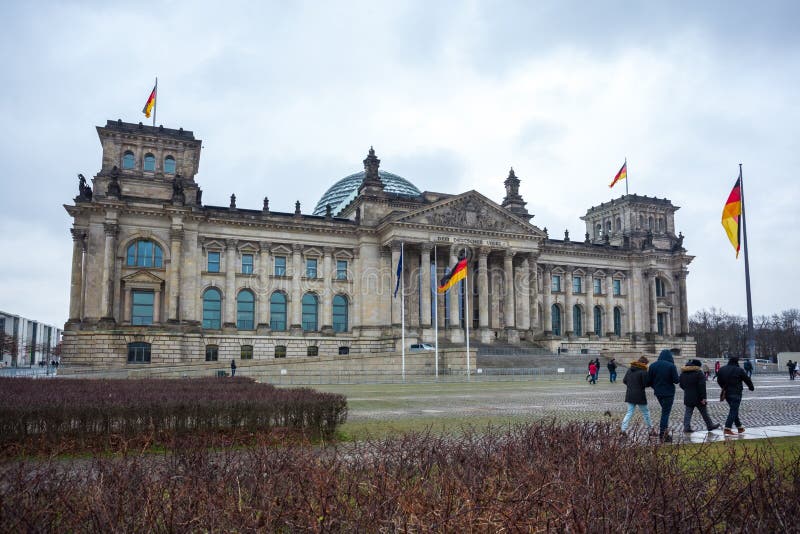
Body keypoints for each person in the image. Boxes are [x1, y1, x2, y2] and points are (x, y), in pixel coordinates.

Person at [679, 359, 720, 433]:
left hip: (688, 396)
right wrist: (703, 398)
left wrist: (688, 390)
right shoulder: (699, 373)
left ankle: (686, 427)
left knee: (688, 413)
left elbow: (681, 385)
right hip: (698, 397)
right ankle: (710, 425)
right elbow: (702, 386)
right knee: (704, 412)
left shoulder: (683, 373)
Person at [647, 349, 680, 442]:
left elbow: (648, 382)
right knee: (665, 413)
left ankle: (664, 433)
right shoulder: (671, 366)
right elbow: (676, 380)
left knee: (665, 412)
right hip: (668, 393)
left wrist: (656, 387)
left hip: (658, 393)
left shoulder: (653, 366)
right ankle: (663, 434)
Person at [716, 356, 754, 435]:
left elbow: (719, 380)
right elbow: (747, 379)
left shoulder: (722, 369)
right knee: (733, 410)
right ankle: (727, 428)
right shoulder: (739, 370)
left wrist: (723, 387)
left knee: (734, 409)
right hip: (736, 392)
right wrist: (751, 387)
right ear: (736, 362)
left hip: (726, 393)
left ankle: (739, 427)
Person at [620, 356, 654, 435]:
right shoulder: (643, 371)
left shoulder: (629, 370)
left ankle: (623, 429)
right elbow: (646, 384)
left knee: (629, 412)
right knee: (646, 413)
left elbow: (624, 381)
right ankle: (651, 430)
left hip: (630, 394)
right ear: (644, 363)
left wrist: (631, 385)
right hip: (639, 395)